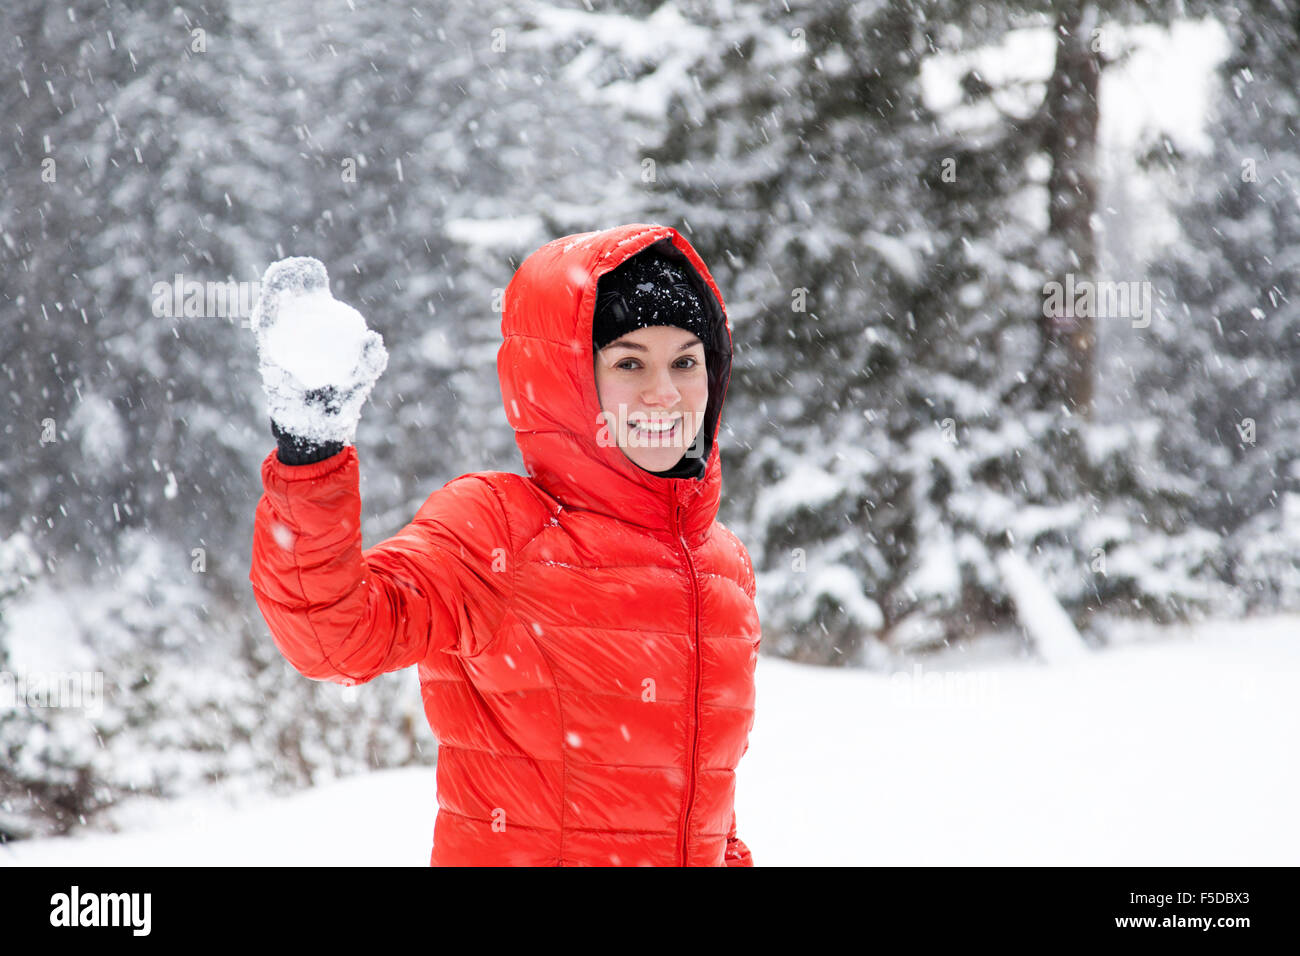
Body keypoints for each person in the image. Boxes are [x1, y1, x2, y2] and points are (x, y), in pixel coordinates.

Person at [248, 223, 760, 866]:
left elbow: (708, 810)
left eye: (686, 361)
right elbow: (336, 634)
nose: (665, 393)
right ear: (569, 381)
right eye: (630, 362)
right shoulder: (497, 530)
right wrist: (310, 451)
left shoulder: (722, 568)